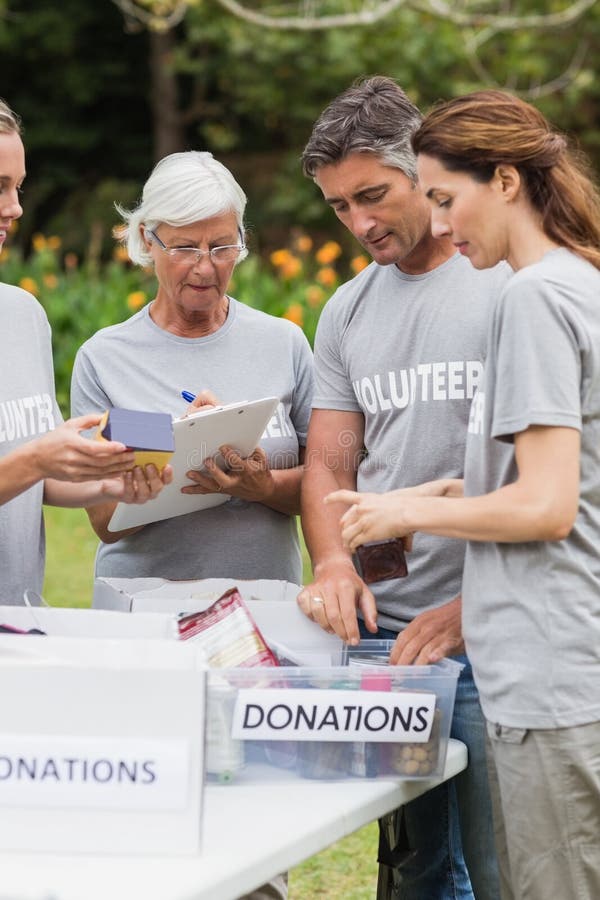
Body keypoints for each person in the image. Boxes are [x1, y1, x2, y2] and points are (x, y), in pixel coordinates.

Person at [328, 89, 600, 900]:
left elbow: (547, 506)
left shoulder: (532, 297)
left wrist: (414, 510)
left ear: (508, 182)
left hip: (543, 669)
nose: (441, 226)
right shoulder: (575, 280)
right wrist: (453, 487)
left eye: (446, 198)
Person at [297, 76, 507, 900]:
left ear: (423, 170)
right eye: (338, 207)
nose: (358, 224)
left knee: (502, 869)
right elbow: (332, 462)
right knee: (414, 870)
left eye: (373, 196)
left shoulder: (505, 281)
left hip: (494, 630)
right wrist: (333, 566)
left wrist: (480, 608)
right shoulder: (347, 312)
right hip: (389, 637)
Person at [71, 151, 312, 593]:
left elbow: (326, 482)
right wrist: (176, 448)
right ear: (147, 239)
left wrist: (263, 485)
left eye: (222, 247)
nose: (206, 266)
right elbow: (105, 523)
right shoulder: (104, 357)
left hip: (266, 603)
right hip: (144, 607)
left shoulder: (285, 343)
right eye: (184, 248)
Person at [0, 98, 169, 607]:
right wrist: (35, 459)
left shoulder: (22, 315)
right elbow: (31, 463)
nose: (15, 207)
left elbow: (41, 480)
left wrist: (112, 486)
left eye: (17, 186)